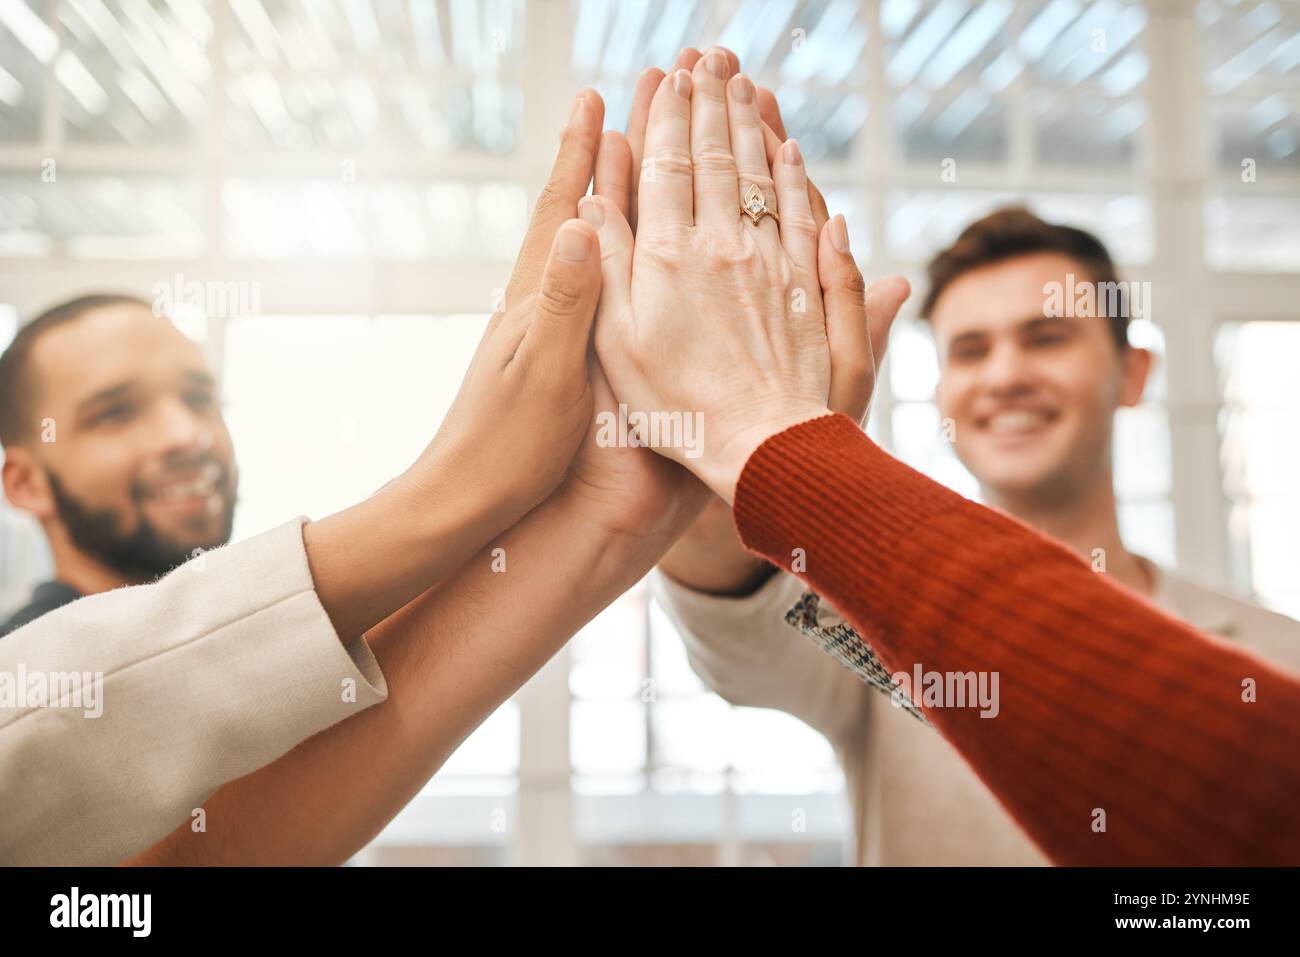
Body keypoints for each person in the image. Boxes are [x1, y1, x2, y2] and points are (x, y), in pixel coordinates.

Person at [574, 56, 1300, 865]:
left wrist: (773, 433)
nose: (1005, 374)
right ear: (943, 392)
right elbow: (740, 643)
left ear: (1132, 375)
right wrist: (707, 450)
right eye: (970, 349)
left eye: (1047, 337)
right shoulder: (865, 637)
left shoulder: (1277, 656)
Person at [0, 109, 609, 864]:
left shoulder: (272, 669)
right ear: (23, 481)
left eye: (198, 398)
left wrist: (598, 504)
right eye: (117, 413)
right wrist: (472, 479)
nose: (186, 434)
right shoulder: (21, 673)